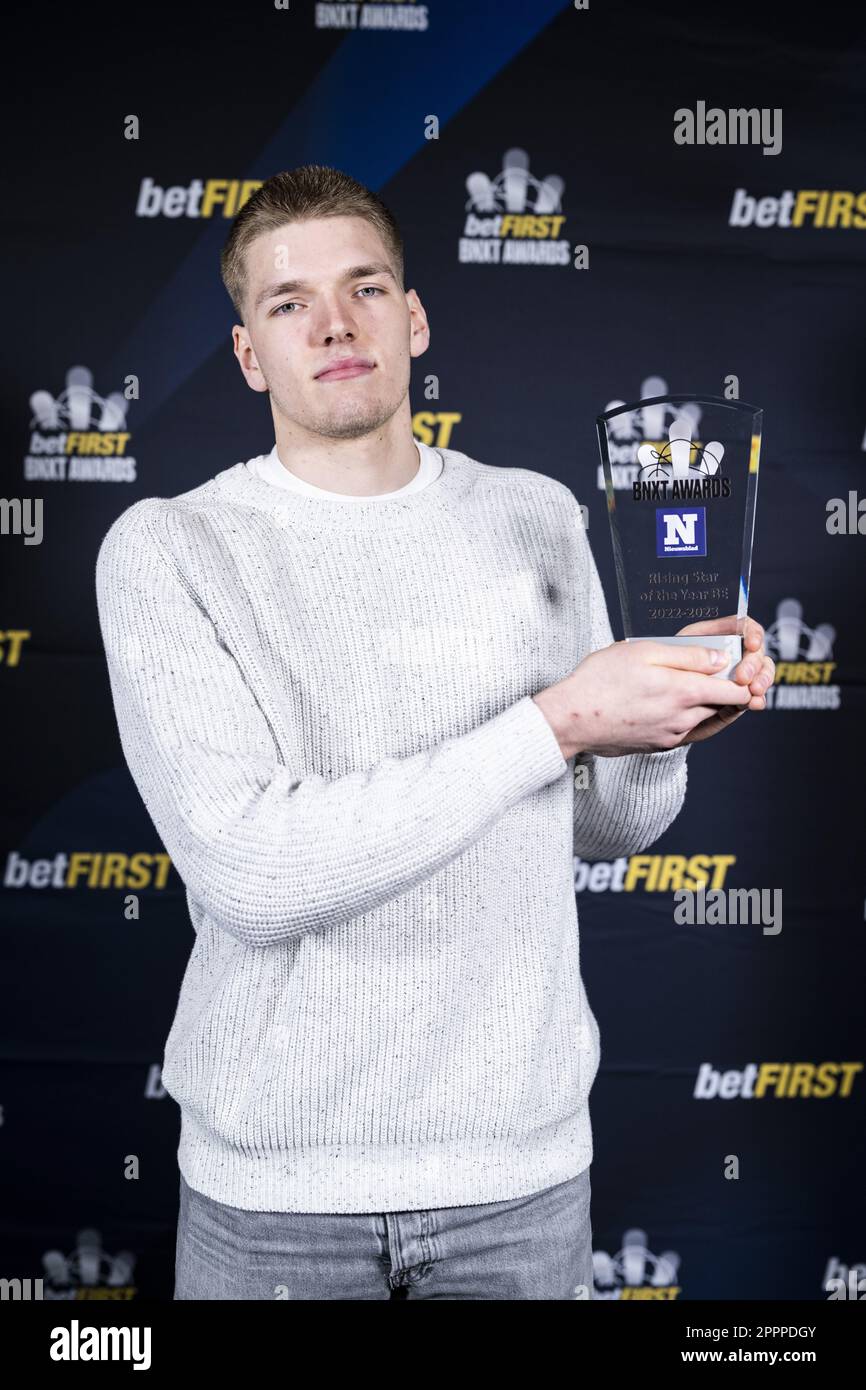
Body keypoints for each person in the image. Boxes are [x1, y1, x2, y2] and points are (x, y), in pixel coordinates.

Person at [95, 164, 774, 1301]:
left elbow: (606, 828)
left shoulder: (538, 512)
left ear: (411, 319)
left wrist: (661, 722)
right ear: (250, 354)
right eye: (287, 301)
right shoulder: (170, 549)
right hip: (278, 1201)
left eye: (364, 286)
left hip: (521, 1178)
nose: (333, 322)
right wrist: (558, 720)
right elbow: (255, 871)